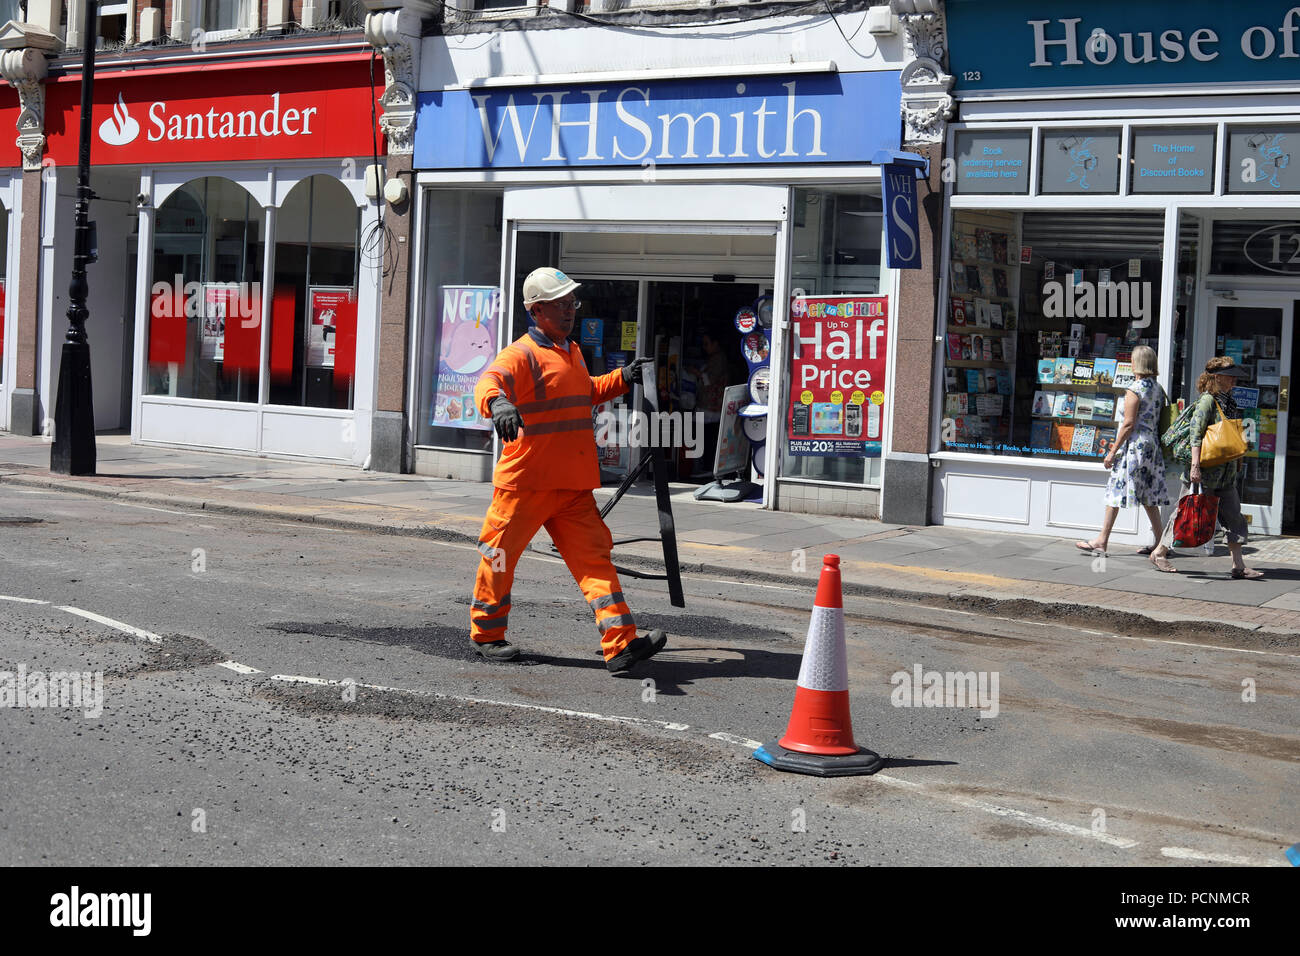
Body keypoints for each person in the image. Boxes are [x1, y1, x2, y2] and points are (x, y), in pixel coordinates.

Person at [468, 266, 669, 672]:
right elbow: (488, 381)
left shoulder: (571, 351)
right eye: (559, 304)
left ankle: (620, 645)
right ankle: (487, 634)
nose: (568, 310)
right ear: (536, 311)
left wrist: (622, 379)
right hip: (527, 485)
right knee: (500, 557)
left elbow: (586, 392)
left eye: (571, 302)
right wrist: (499, 404)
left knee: (595, 559)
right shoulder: (521, 354)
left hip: (572, 487)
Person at [1149, 355, 1259, 578]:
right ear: (1217, 377)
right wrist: (1194, 466)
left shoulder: (1229, 403)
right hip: (1204, 472)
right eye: (1230, 378)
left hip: (1225, 474)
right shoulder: (1207, 401)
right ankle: (1159, 552)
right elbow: (1195, 435)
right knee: (1184, 513)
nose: (1234, 382)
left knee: (1234, 516)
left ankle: (1238, 566)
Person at [1076, 345, 1170, 556]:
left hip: (1135, 447)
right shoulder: (1157, 388)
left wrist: (1112, 451)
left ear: (1136, 363)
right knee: (1149, 496)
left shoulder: (1135, 389)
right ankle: (1161, 543)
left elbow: (1128, 424)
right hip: (1151, 447)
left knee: (1115, 492)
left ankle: (1101, 540)